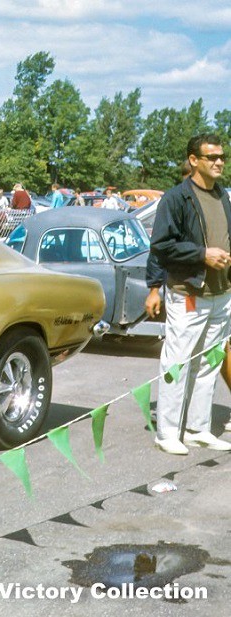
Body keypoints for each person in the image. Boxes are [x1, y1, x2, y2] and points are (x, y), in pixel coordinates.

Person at [150, 133, 231, 455]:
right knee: (178, 362)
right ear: (194, 160)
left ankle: (198, 428)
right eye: (212, 157)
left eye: (222, 157)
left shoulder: (223, 196)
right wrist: (202, 255)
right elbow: (161, 245)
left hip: (221, 293)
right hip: (189, 292)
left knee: (210, 362)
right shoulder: (177, 198)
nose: (219, 162)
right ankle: (168, 432)